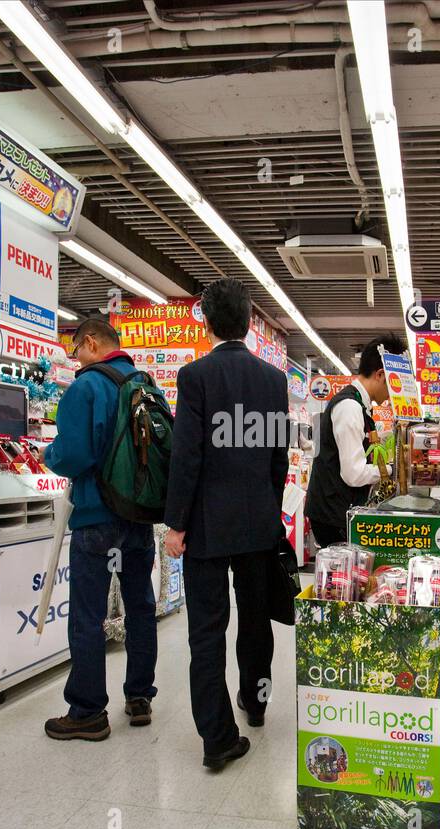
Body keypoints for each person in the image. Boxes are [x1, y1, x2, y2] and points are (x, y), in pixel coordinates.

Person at [163, 278, 289, 771]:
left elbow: (186, 457)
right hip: (258, 523)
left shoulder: (195, 377)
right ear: (250, 321)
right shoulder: (272, 380)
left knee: (206, 633)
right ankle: (255, 703)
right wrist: (268, 505)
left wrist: (175, 524)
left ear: (208, 321)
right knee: (256, 620)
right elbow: (278, 456)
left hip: (207, 528)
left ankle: (217, 737)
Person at [41, 317, 162, 741]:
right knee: (141, 606)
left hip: (96, 516)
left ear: (90, 343)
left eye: (75, 350)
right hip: (138, 516)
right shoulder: (147, 384)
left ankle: (89, 710)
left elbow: (74, 454)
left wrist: (48, 455)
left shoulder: (85, 387)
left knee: (88, 615)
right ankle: (140, 695)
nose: (75, 359)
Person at [305, 333, 404, 547]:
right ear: (380, 375)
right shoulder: (349, 407)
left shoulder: (359, 405)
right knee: (341, 577)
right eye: (393, 384)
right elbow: (353, 473)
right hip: (333, 517)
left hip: (337, 511)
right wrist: (392, 471)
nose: (393, 394)